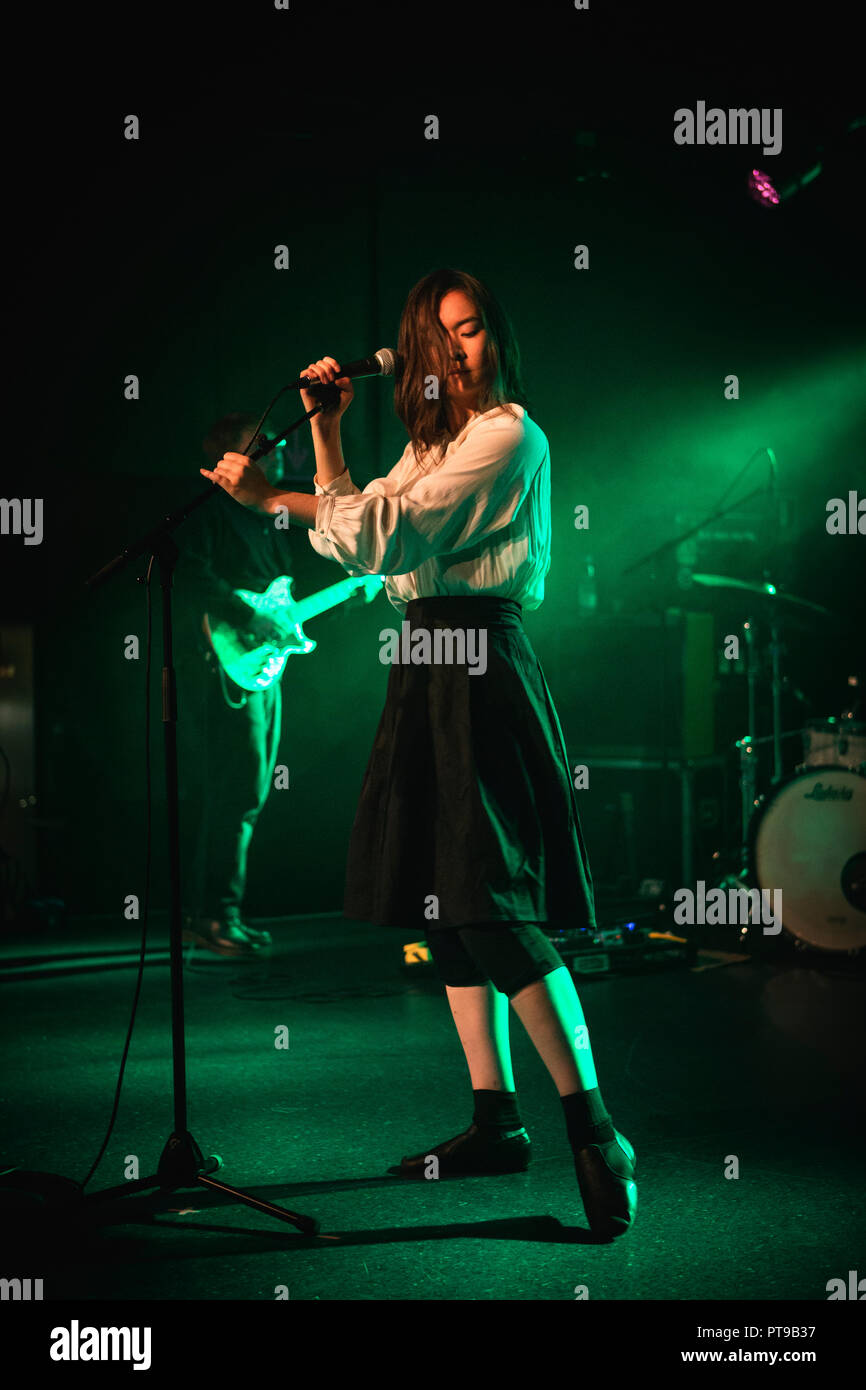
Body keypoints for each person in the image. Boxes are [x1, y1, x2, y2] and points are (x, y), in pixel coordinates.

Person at [201, 269, 637, 1237]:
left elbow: (392, 529)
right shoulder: (425, 443)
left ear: (494, 338)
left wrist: (274, 493)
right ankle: (495, 1121)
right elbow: (356, 543)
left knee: (492, 903)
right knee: (443, 905)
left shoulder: (506, 434)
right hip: (422, 660)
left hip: (477, 655)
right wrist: (323, 432)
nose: (458, 351)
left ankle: (595, 1130)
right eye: (441, 338)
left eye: (471, 330)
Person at [176, 413, 309, 959]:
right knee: (238, 788)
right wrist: (245, 616)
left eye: (277, 449)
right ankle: (213, 917)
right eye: (262, 448)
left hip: (262, 665)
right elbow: (192, 571)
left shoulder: (267, 517)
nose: (275, 456)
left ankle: (220, 913)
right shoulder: (208, 508)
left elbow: (277, 594)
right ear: (228, 456)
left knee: (248, 791)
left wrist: (352, 593)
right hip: (227, 659)